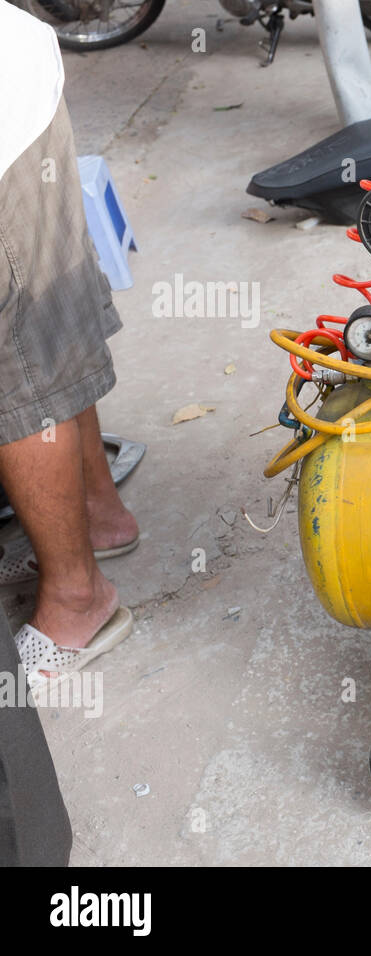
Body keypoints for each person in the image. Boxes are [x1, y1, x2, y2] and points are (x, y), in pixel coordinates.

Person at [0, 4, 138, 690]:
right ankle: (96, 516)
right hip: (15, 80)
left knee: (18, 377)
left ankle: (79, 602)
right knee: (42, 337)